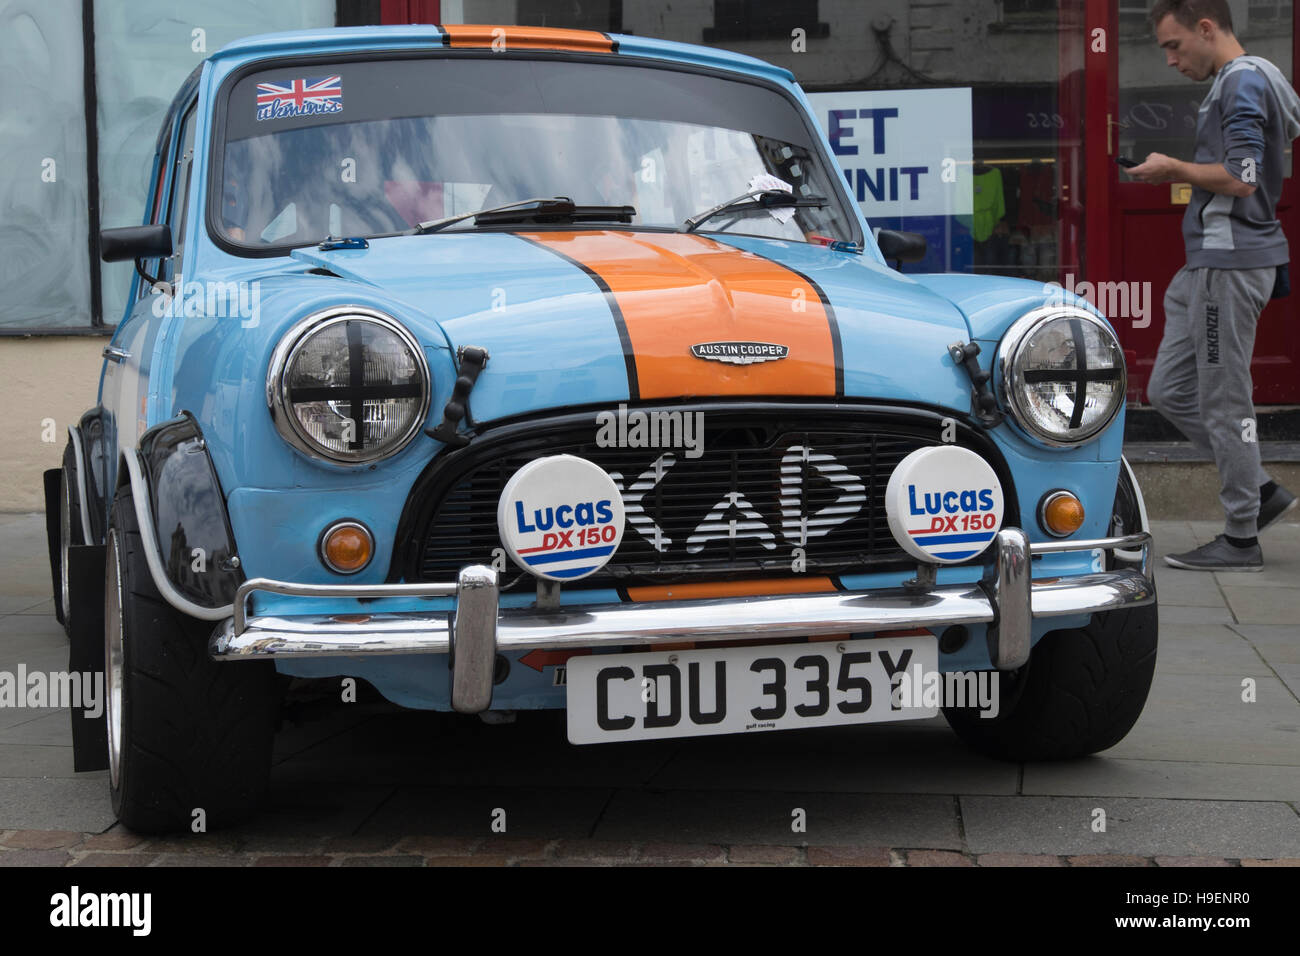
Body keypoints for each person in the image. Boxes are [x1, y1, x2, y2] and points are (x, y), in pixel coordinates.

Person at [1128, 0, 1300, 571]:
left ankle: (1241, 537)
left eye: (1174, 45)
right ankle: (1261, 489)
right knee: (1169, 392)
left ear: (1207, 28)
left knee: (1226, 399)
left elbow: (1242, 178)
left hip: (1229, 261)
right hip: (1207, 263)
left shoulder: (1242, 82)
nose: (1172, 60)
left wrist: (1172, 168)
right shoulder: (1257, 77)